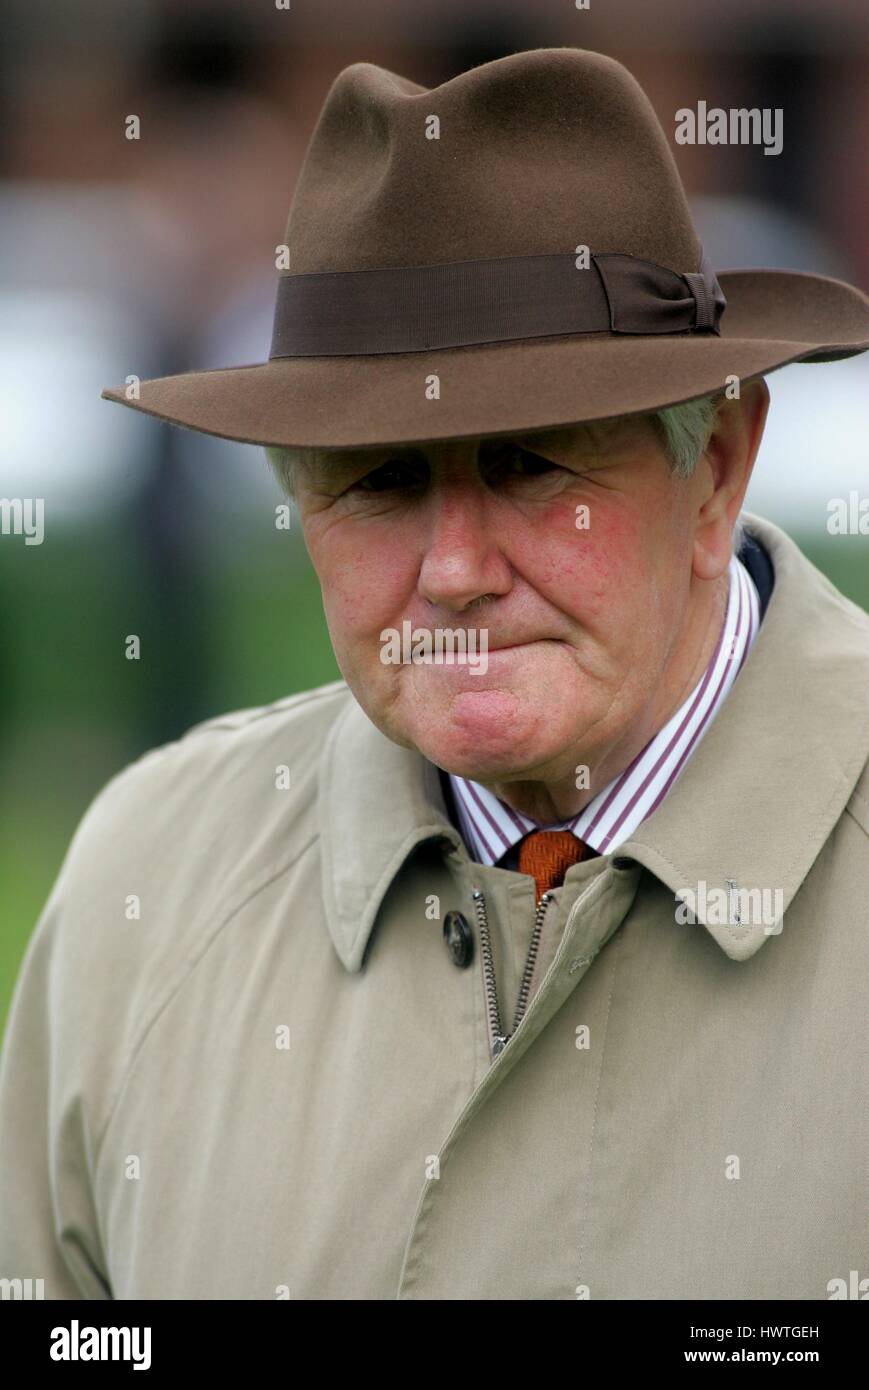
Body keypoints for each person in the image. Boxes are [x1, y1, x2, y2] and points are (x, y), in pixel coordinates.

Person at [1, 47, 868, 1301]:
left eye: (529, 466)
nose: (454, 569)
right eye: (381, 481)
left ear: (716, 467)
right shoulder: (149, 886)